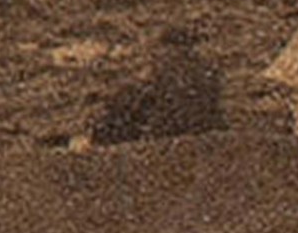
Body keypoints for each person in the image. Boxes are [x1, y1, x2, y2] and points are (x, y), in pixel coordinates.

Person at [91, 25, 225, 144]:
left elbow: (141, 99)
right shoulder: (208, 70)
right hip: (203, 129)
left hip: (167, 133)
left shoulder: (162, 69)